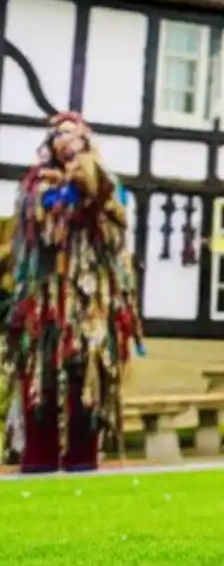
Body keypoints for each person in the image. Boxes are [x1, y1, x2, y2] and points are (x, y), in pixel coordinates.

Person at [3, 114, 144, 473]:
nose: (67, 140)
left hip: (90, 302)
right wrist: (63, 191)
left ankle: (83, 458)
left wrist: (83, 172)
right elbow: (40, 228)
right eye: (60, 135)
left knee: (88, 375)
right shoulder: (36, 183)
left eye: (74, 135)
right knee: (41, 376)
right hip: (44, 299)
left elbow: (111, 217)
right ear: (49, 144)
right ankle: (38, 460)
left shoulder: (104, 181)